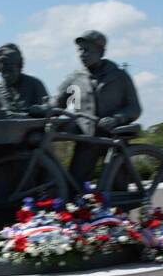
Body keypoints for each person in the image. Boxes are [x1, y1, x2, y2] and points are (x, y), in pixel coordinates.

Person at [51, 30, 142, 192]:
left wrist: (116, 119)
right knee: (74, 187)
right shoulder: (74, 78)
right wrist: (43, 110)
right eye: (80, 50)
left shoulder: (120, 77)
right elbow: (56, 103)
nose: (82, 54)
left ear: (101, 52)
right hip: (87, 140)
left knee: (118, 189)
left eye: (87, 50)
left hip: (114, 139)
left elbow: (135, 108)